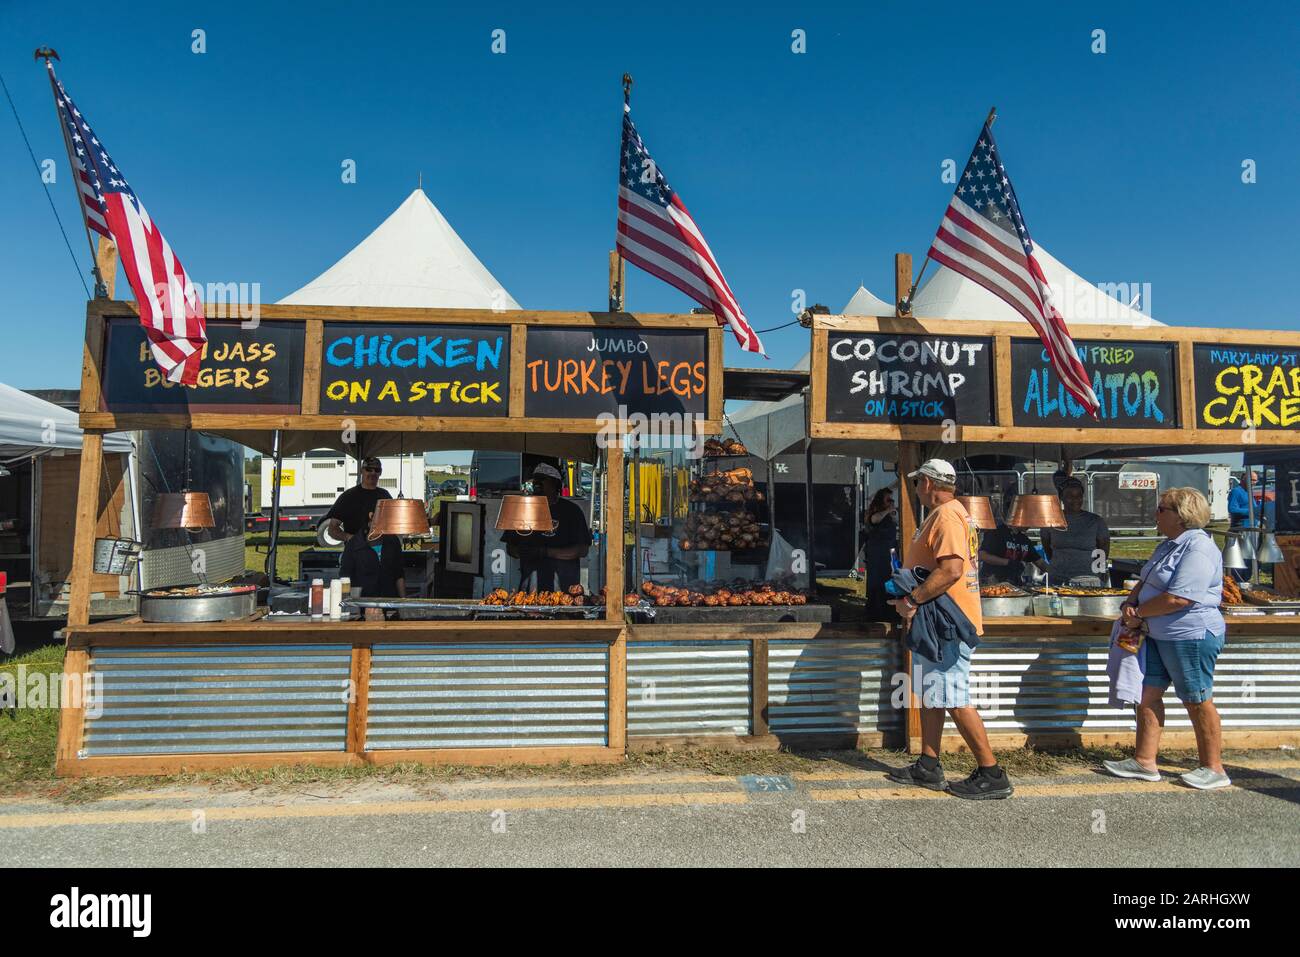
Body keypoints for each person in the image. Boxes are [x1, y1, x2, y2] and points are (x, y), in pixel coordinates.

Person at [886, 458, 1013, 800]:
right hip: (940, 619)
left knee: (954, 697)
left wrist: (912, 599)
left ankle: (992, 773)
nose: (915, 489)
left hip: (947, 621)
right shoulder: (951, 513)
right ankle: (928, 764)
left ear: (928, 483)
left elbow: (952, 570)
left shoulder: (946, 515)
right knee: (933, 693)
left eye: (917, 482)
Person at [1103, 487, 1230, 790]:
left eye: (1162, 510)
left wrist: (1140, 614)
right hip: (1157, 633)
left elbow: (1179, 599)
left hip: (1189, 635)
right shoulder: (1168, 545)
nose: (1155, 514)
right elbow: (1145, 580)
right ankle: (1144, 761)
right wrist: (1130, 604)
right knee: (1148, 694)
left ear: (1182, 516)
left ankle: (1213, 767)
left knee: (1196, 699)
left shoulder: (1198, 548)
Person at [502, 462, 593, 591]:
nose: (537, 484)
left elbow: (582, 550)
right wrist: (523, 552)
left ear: (555, 484)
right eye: (535, 480)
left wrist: (545, 552)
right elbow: (510, 547)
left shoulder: (572, 511)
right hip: (529, 591)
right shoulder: (523, 509)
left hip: (564, 592)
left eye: (542, 480)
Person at [1042, 477, 1110, 583]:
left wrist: (1099, 573)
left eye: (1079, 496)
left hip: (1088, 579)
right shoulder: (1051, 520)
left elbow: (1103, 550)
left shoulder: (1096, 521)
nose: (1075, 499)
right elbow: (1047, 548)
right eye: (1070, 496)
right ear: (1061, 497)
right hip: (1056, 579)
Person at [979, 485, 1050, 584]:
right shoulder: (997, 533)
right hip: (992, 583)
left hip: (1015, 585)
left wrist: (1055, 574)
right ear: (1018, 516)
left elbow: (1039, 562)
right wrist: (1008, 562)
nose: (1030, 523)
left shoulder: (1024, 540)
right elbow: (983, 555)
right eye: (1028, 519)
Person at [322, 456, 392, 542]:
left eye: (377, 470)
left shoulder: (385, 495)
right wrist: (351, 538)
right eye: (369, 469)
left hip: (380, 550)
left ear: (380, 473)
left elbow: (393, 524)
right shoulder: (348, 496)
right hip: (355, 551)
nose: (373, 473)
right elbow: (332, 529)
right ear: (361, 471)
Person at [339, 515, 407, 599]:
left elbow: (399, 574)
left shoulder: (392, 541)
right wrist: (349, 605)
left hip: (390, 603)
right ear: (369, 522)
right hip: (363, 604)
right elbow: (345, 576)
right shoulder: (354, 544)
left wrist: (403, 602)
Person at [863, 487, 899, 621]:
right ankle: (875, 612)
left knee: (889, 580)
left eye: (892, 500)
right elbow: (874, 520)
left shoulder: (889, 515)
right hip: (877, 553)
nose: (891, 502)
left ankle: (888, 610)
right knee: (877, 581)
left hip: (889, 552)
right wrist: (888, 510)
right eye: (888, 499)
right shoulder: (875, 513)